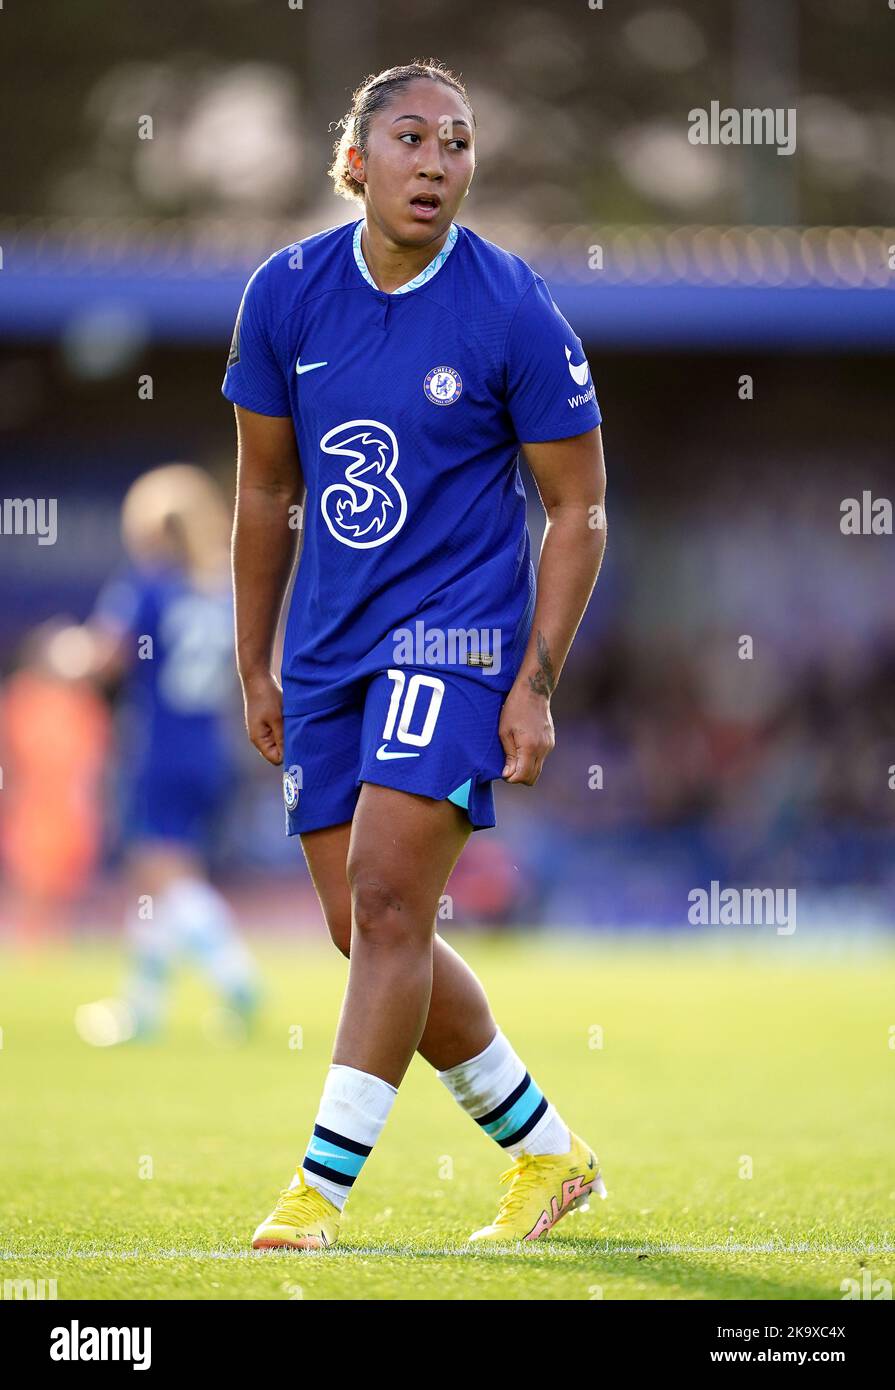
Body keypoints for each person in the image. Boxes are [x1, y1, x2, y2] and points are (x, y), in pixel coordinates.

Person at [225, 59, 608, 1248]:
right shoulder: (284, 293)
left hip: (455, 637)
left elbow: (579, 509)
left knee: (391, 902)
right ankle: (548, 1153)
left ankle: (317, 1191)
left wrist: (534, 683)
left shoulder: (509, 307)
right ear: (356, 161)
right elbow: (263, 488)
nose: (436, 162)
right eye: (410, 138)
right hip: (329, 651)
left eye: (456, 142)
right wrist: (255, 662)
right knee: (365, 925)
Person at [60, 465, 260, 1045]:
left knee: (164, 880)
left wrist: (62, 654)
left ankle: (237, 977)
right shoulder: (218, 590)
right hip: (210, 746)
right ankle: (142, 1008)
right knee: (155, 887)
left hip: (159, 747)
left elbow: (105, 659)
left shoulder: (145, 585)